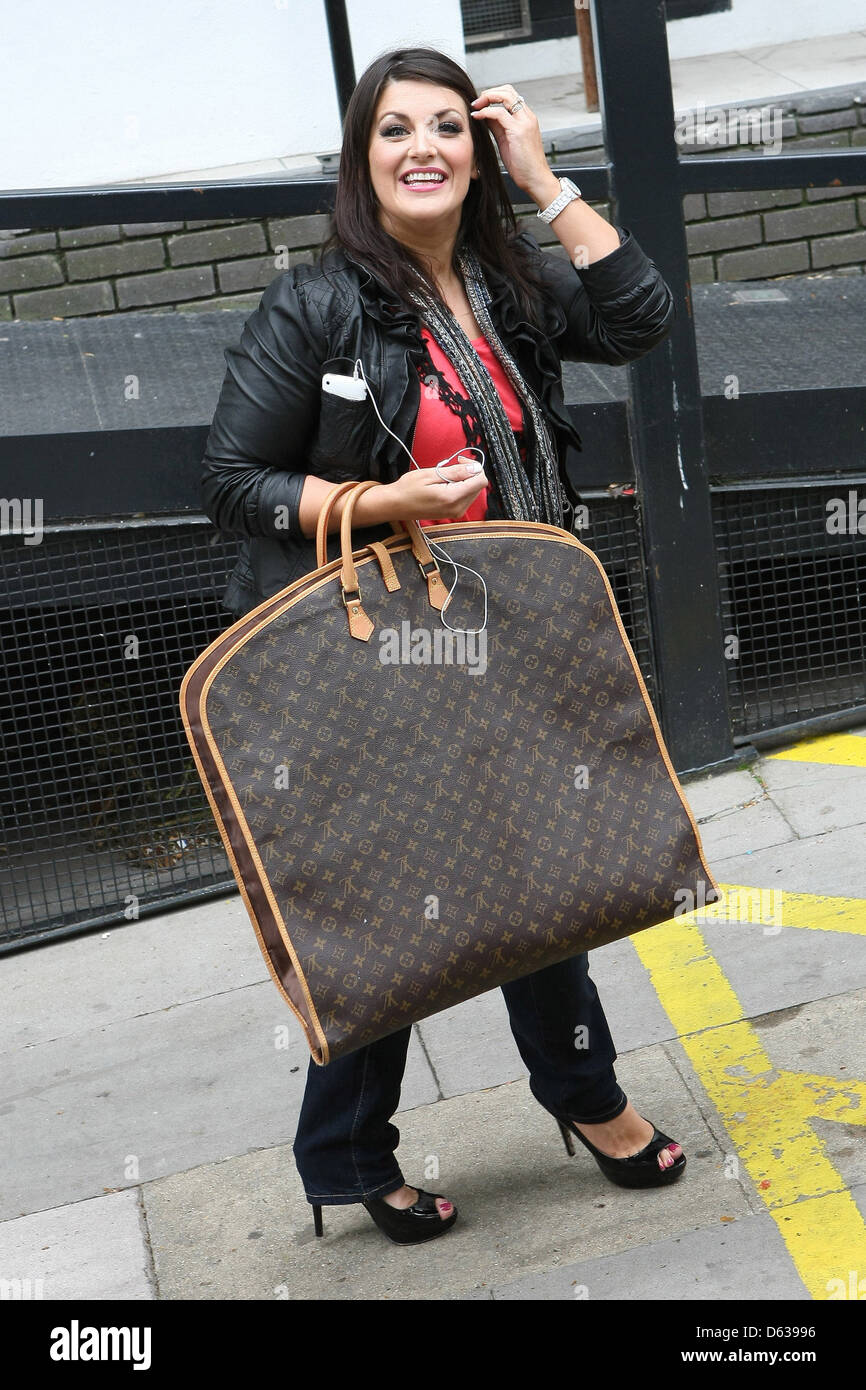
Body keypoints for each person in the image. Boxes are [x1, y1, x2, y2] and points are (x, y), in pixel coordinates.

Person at [201, 46, 683, 1247]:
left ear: (476, 152)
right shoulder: (316, 303)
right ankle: (389, 1143)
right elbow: (231, 481)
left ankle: (549, 1105)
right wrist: (382, 506)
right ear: (362, 161)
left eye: (448, 129)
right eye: (393, 131)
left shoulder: (507, 279)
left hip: (509, 634)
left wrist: (545, 181)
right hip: (382, 654)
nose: (423, 148)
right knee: (396, 897)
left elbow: (639, 318)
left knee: (533, 881)